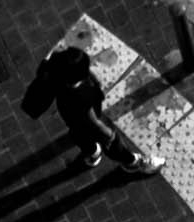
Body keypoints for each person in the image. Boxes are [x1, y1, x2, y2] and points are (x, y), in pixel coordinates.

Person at [22, 40, 154, 177]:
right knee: (106, 140)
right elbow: (94, 122)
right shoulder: (80, 95)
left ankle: (93, 154)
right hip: (87, 119)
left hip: (70, 116)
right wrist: (109, 135)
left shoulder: (55, 71)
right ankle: (132, 162)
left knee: (79, 134)